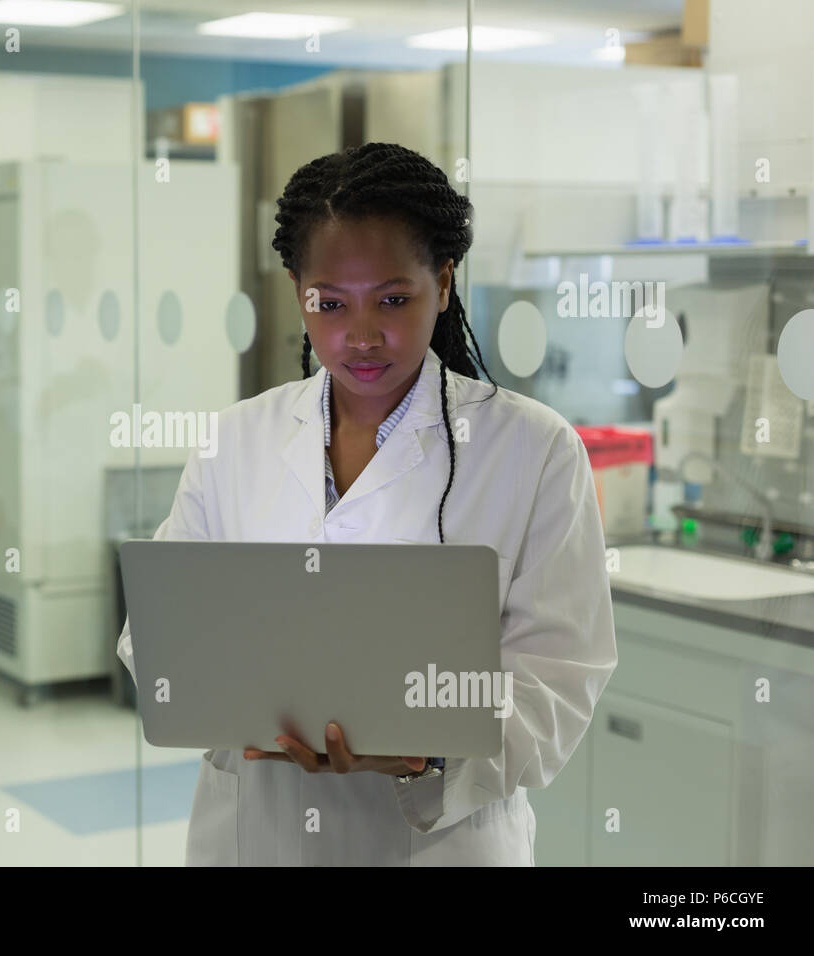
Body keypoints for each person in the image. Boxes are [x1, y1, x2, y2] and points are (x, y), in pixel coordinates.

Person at [116, 142, 618, 865]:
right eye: (330, 303)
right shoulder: (234, 440)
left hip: (437, 845)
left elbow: (560, 680)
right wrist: (231, 701)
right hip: (255, 834)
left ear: (443, 284)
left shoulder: (533, 451)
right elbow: (156, 633)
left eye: (392, 298)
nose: (360, 335)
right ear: (298, 293)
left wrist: (425, 753)